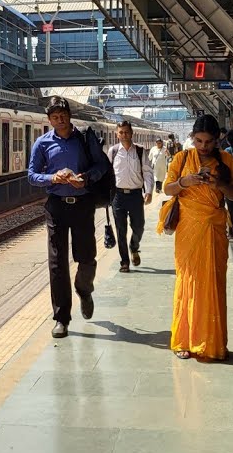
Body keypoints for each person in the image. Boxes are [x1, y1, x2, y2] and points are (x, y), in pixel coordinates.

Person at [161, 114, 233, 361]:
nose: (203, 147)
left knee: (213, 283)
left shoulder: (227, 161)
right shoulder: (181, 158)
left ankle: (211, 343)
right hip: (188, 229)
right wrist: (185, 182)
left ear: (217, 140)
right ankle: (184, 340)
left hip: (214, 228)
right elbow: (167, 188)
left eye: (208, 142)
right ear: (192, 139)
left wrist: (220, 185)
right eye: (198, 141)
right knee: (187, 280)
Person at [27, 96, 109, 339]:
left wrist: (86, 177)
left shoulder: (84, 138)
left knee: (87, 257)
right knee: (57, 263)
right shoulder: (42, 144)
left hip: (83, 203)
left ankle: (84, 289)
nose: (59, 119)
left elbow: (101, 166)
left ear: (69, 115)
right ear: (49, 119)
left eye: (62, 115)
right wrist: (52, 178)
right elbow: (32, 175)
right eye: (54, 116)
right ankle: (61, 318)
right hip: (56, 206)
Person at [108, 121, 153, 273]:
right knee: (121, 230)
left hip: (135, 195)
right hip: (118, 196)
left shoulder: (140, 151)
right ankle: (124, 262)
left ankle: (134, 246)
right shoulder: (113, 151)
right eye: (121, 132)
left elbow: (147, 173)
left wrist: (149, 191)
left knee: (139, 227)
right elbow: (108, 175)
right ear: (117, 134)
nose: (124, 135)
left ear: (131, 133)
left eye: (126, 132)